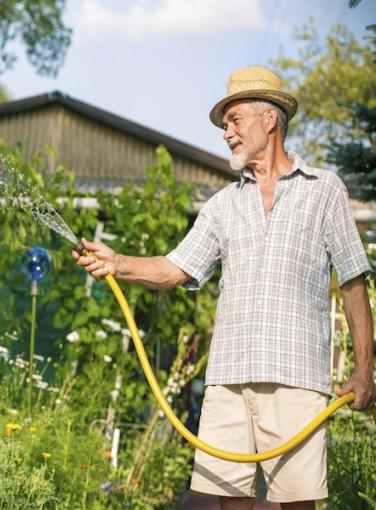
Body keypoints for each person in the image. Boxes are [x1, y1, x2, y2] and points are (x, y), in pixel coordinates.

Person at [72, 66, 376, 510]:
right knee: (228, 503)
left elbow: (353, 282)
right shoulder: (222, 206)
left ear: (268, 120)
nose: (226, 133)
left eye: (233, 120)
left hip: (297, 380)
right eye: (224, 124)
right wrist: (117, 263)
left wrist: (364, 370)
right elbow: (173, 268)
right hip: (228, 380)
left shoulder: (324, 190)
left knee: (297, 504)